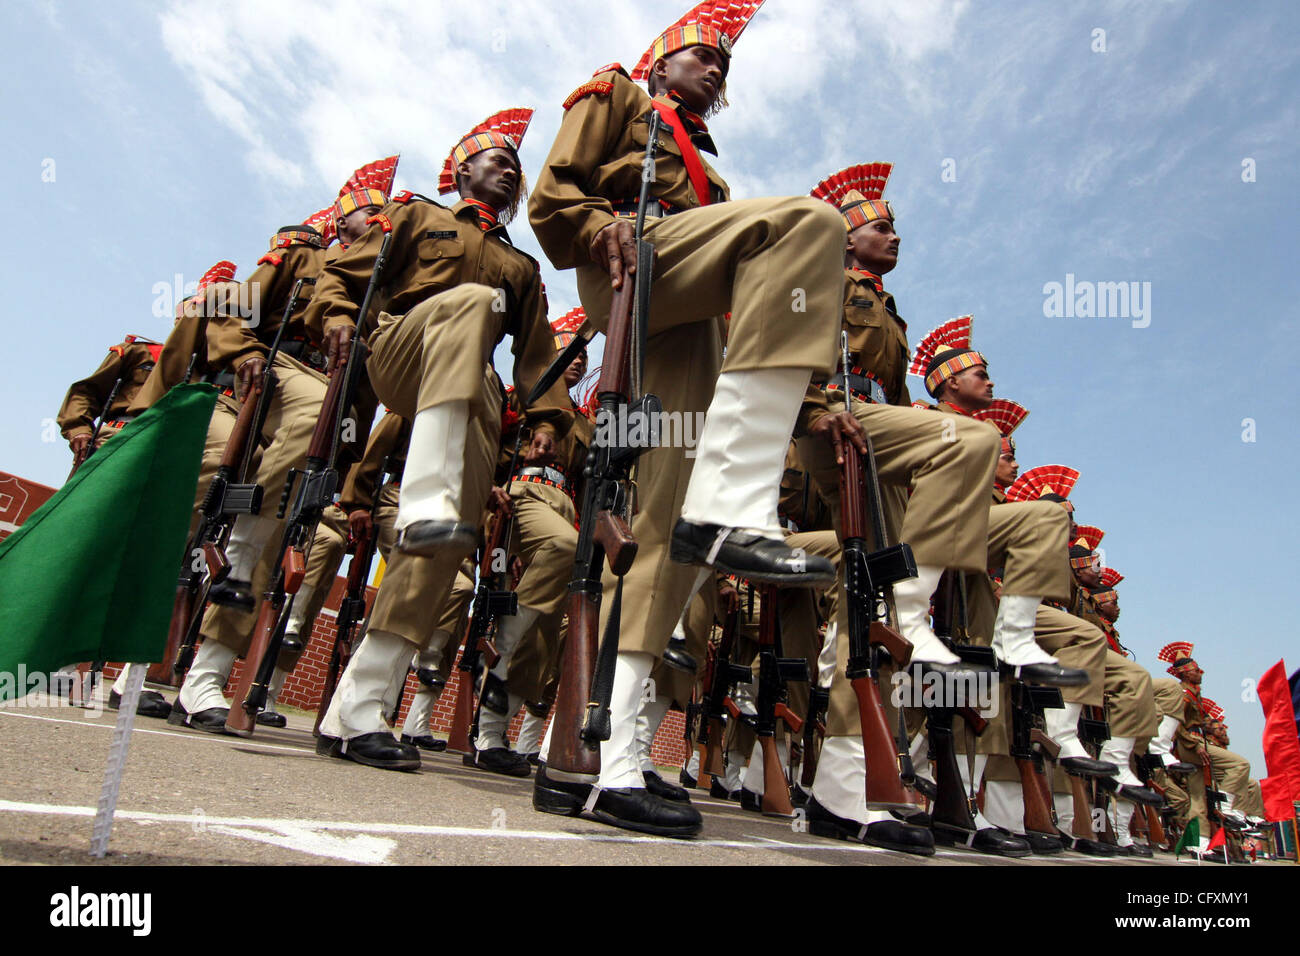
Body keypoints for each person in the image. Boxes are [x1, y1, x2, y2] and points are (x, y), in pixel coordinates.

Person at [528, 0, 844, 836]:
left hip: (686, 316)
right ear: (661, 61)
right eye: (704, 56)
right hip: (630, 270)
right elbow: (553, 196)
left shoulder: (716, 176)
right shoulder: (617, 100)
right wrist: (600, 225)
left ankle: (610, 754)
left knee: (664, 526)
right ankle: (739, 503)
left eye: (726, 66)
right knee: (811, 223)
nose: (716, 70)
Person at [310, 108, 572, 770]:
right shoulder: (417, 218)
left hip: (475, 390)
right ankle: (425, 498)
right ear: (461, 172)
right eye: (495, 158)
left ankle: (357, 710)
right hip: (404, 349)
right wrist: (339, 317)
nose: (509, 167)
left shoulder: (521, 266)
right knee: (470, 306)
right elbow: (339, 276)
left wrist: (544, 419)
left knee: (443, 548)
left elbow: (537, 359)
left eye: (516, 162)